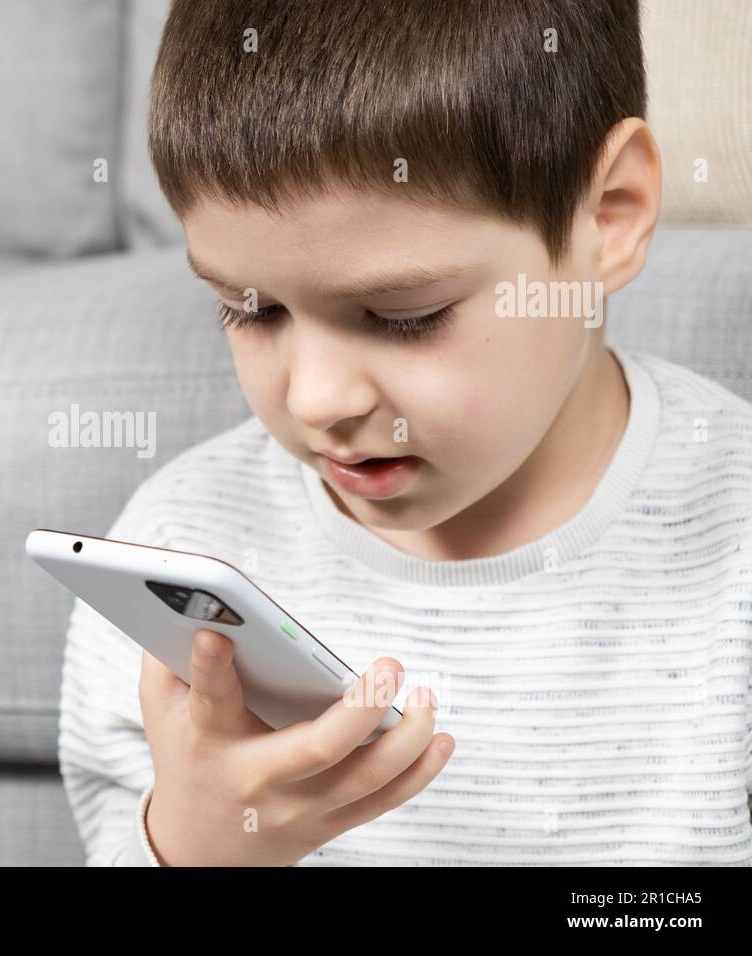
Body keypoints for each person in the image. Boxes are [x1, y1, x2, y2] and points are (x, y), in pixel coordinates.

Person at [58, 0, 752, 865]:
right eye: (251, 309)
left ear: (607, 214)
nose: (317, 400)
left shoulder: (732, 539)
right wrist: (198, 848)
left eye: (403, 317)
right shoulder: (183, 547)